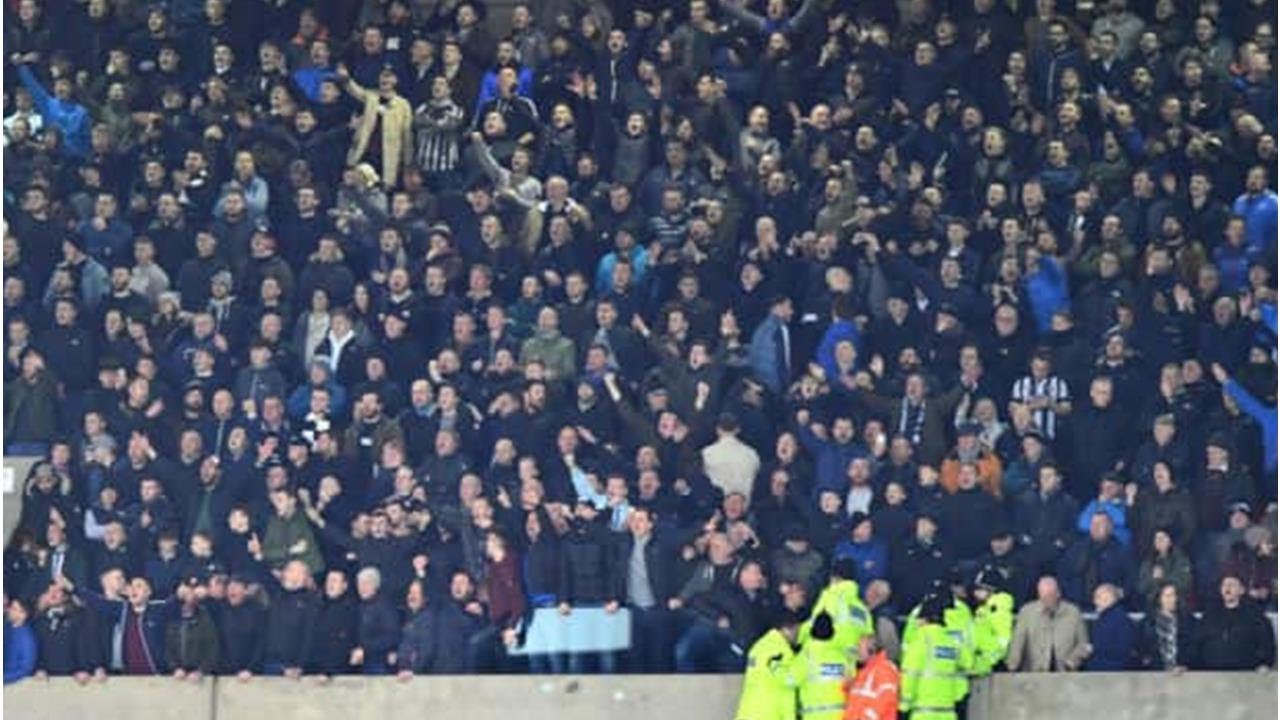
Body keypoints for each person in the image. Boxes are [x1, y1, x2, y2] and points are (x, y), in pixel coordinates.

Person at [898, 592, 970, 720]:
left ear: (924, 619)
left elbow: (909, 675)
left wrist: (903, 706)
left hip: (923, 713)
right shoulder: (952, 642)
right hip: (948, 712)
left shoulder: (920, 641)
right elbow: (967, 663)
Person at [1192, 574, 1277, 670]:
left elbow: (1267, 645)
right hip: (1212, 674)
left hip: (1245, 674)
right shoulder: (1209, 616)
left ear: (1242, 590)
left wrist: (1264, 664)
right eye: (1224, 585)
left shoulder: (1255, 616)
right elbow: (1196, 644)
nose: (1227, 588)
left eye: (1232, 585)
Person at [1006, 576, 1090, 672]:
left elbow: (1084, 644)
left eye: (1050, 595)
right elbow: (1018, 641)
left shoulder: (1073, 612)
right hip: (1034, 673)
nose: (1046, 599)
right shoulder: (1027, 612)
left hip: (1066, 674)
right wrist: (1012, 666)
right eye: (1042, 595)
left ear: (1058, 593)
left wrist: (1072, 662)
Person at [734, 610, 801, 720]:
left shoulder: (759, 646)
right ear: (786, 629)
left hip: (749, 712)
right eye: (796, 630)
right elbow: (786, 684)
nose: (798, 635)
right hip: (770, 713)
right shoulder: (780, 650)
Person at [788, 611, 852, 720]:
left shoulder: (807, 655)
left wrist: (776, 667)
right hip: (842, 716)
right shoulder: (843, 658)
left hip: (815, 716)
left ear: (812, 631)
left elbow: (790, 680)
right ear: (832, 632)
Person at [1135, 582, 1196, 671]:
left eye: (1174, 595)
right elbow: (1141, 652)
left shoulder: (1188, 621)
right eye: (1168, 596)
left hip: (1182, 674)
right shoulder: (1146, 623)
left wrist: (1185, 665)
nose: (1172, 599)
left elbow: (1193, 648)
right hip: (1155, 675)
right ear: (1159, 599)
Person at [842, 634, 900, 720]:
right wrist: (848, 686)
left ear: (871, 651)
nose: (858, 652)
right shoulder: (864, 672)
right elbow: (856, 700)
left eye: (860, 648)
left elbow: (886, 698)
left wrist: (867, 717)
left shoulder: (885, 669)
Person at [970, 564, 1015, 675]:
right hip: (984, 661)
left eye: (980, 589)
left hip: (993, 665)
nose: (976, 593)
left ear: (991, 590)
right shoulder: (984, 609)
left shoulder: (997, 608)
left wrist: (988, 662)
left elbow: (1003, 639)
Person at [1084, 583, 1134, 670]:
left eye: (1098, 597)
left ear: (1108, 598)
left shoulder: (1121, 621)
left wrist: (1094, 651)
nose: (1094, 601)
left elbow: (1121, 654)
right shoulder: (1104, 618)